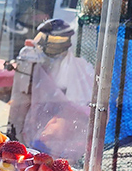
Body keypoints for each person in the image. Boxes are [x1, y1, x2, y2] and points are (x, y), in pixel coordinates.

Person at [8, 18, 93, 162]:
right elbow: (21, 99)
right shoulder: (31, 58)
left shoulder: (74, 67)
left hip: (55, 131)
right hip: (31, 123)